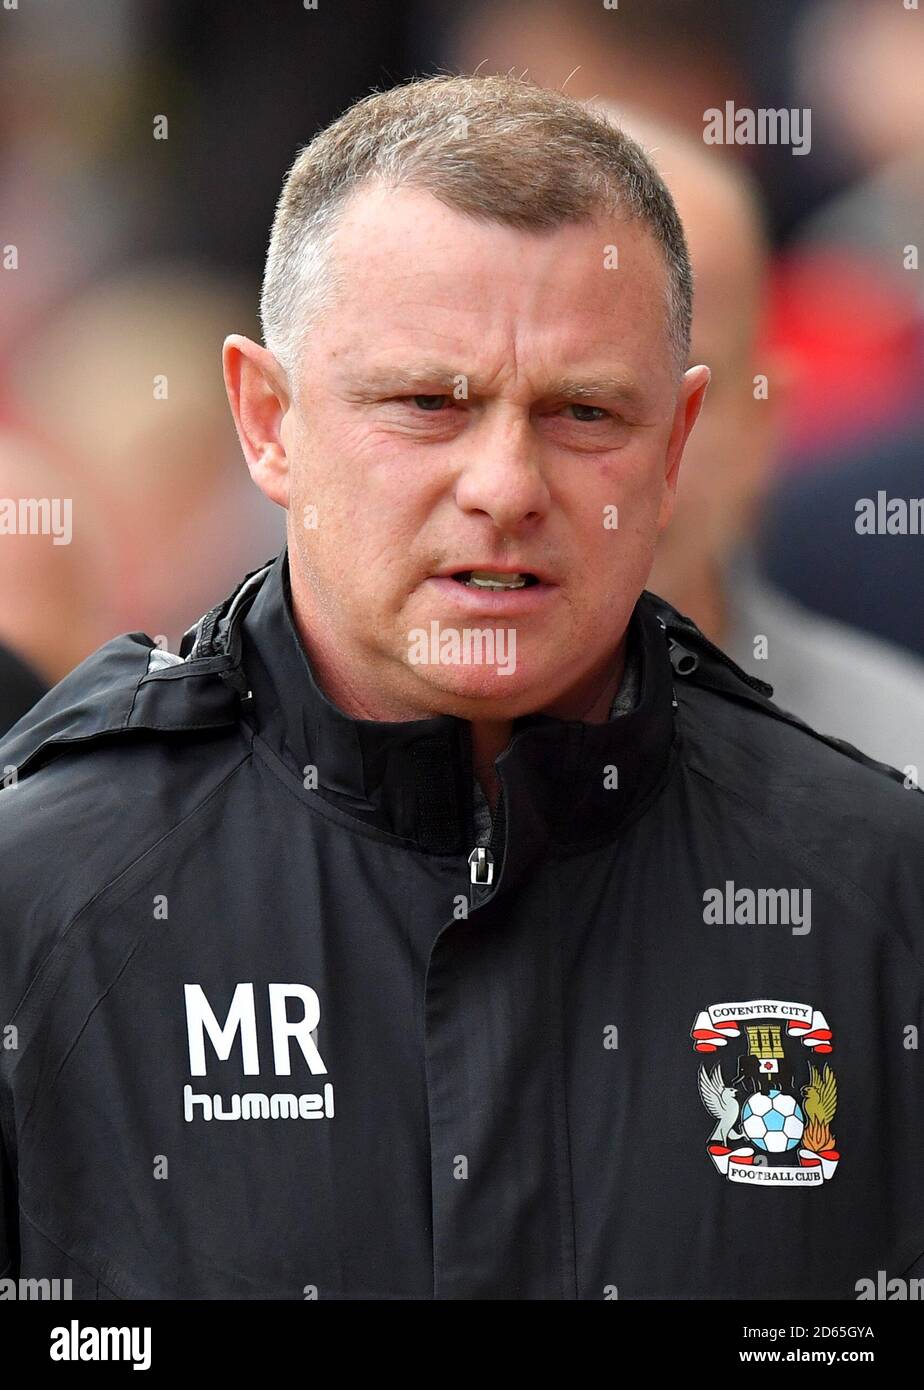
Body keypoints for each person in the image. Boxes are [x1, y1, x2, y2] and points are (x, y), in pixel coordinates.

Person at [0, 74, 922, 1301]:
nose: (505, 483)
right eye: (428, 403)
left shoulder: (876, 894)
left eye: (583, 410)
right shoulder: (45, 898)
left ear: (676, 446)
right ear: (266, 420)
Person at [611, 109, 924, 776]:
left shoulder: (900, 765)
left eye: (681, 393)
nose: (624, 463)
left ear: (765, 421)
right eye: (574, 405)